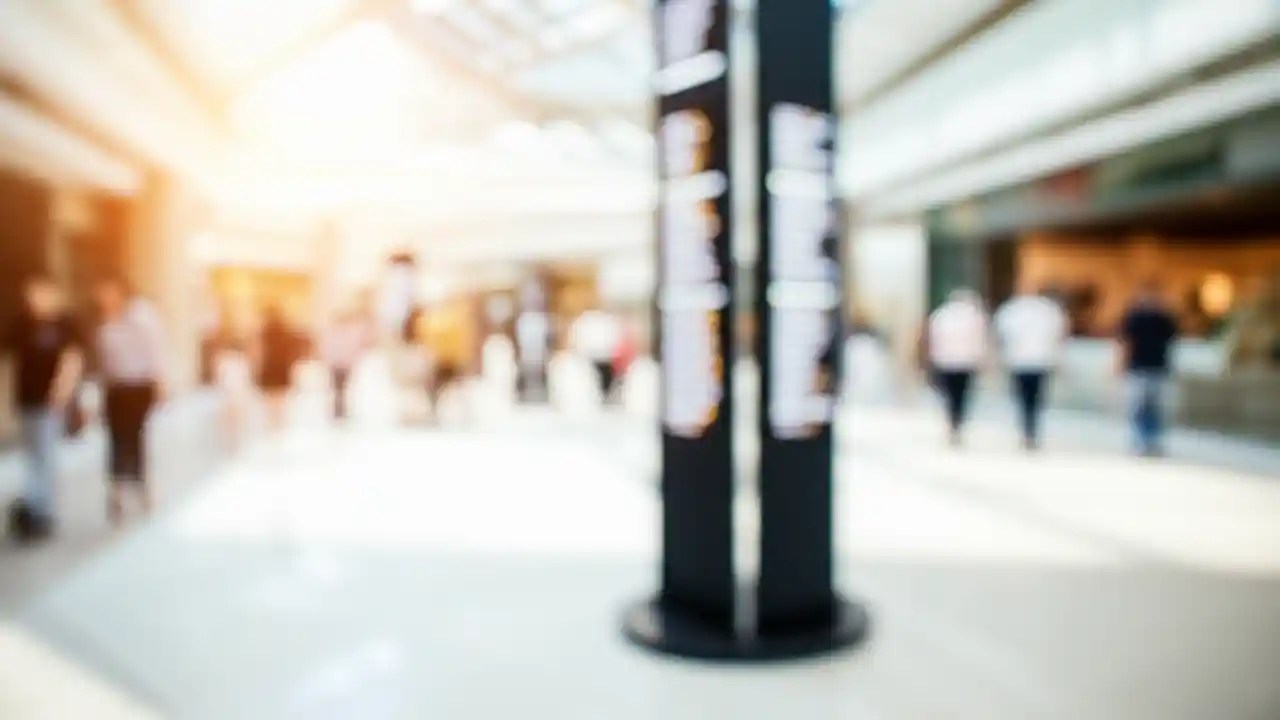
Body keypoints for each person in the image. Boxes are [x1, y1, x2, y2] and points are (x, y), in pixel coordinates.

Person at [2, 276, 83, 541]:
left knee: (45, 456)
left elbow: (72, 360)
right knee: (32, 456)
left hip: (50, 403)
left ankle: (43, 510)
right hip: (26, 401)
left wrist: (60, 395)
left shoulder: (64, 324)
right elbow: (10, 362)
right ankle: (34, 506)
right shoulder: (22, 325)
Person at [95, 278, 166, 525]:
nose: (105, 297)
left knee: (135, 435)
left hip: (139, 385)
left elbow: (156, 349)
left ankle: (141, 486)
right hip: (115, 386)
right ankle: (117, 492)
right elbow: (104, 359)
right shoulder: (105, 320)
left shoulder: (142, 315)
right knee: (115, 437)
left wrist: (160, 382)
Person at [994, 281, 1069, 450]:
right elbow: (1059, 335)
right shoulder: (1049, 310)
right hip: (1040, 362)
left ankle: (1026, 432)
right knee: (1036, 399)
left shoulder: (1012, 310)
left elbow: (1001, 335)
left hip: (1019, 361)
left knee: (1022, 398)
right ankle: (1031, 432)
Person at [1117, 281, 1179, 457]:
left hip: (1156, 368)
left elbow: (1172, 341)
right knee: (1140, 407)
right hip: (1141, 368)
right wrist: (1121, 364)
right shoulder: (1135, 317)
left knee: (1151, 408)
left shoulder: (1164, 318)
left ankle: (1150, 441)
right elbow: (1126, 343)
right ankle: (1141, 441)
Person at [926, 289, 990, 447]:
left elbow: (935, 340)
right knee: (961, 396)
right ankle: (957, 422)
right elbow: (980, 341)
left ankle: (953, 422)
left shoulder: (941, 316)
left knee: (949, 395)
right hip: (966, 362)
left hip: (946, 362)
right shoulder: (974, 317)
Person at [254, 305, 303, 433]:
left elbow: (259, 351)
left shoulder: (265, 331)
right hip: (282, 367)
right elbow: (294, 348)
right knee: (280, 396)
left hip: (269, 366)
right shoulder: (285, 331)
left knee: (270, 396)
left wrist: (257, 367)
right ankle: (279, 422)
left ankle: (272, 422)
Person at [322, 307, 370, 421]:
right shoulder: (341, 333)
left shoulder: (341, 333)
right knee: (339, 388)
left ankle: (340, 409)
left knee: (340, 388)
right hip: (340, 363)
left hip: (340, 363)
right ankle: (339, 409)